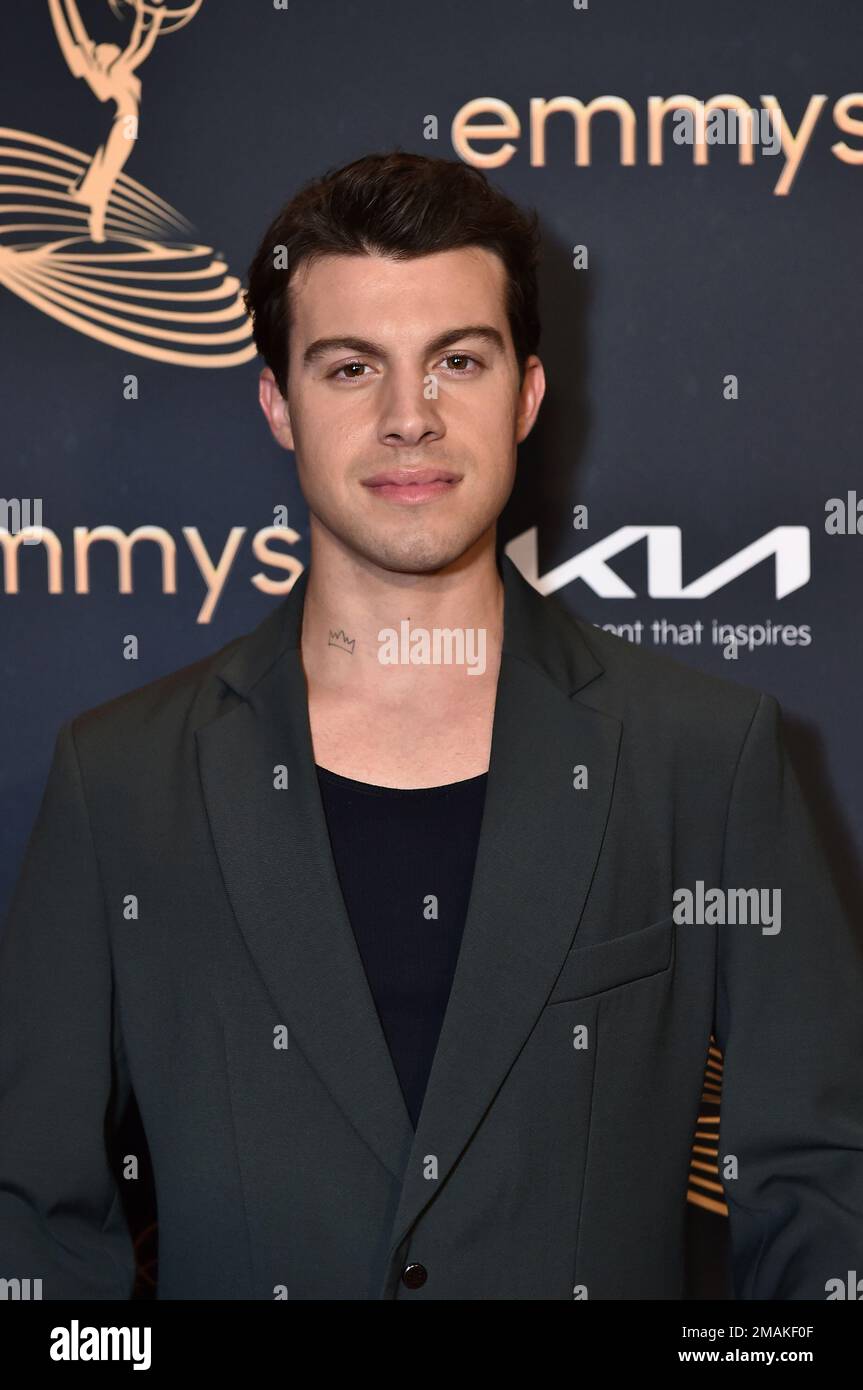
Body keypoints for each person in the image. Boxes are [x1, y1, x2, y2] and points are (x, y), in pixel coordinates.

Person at [1, 150, 861, 1300]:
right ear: (277, 403)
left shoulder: (704, 756)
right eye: (351, 367)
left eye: (457, 360)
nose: (409, 417)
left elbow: (818, 1197)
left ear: (527, 394)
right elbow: (35, 1224)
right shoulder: (118, 778)